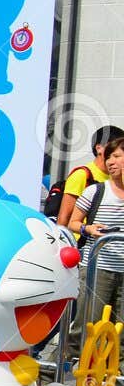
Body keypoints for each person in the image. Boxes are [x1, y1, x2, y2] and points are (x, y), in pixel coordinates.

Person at [69, 135, 124, 333]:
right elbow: (72, 222)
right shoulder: (96, 191)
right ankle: (72, 361)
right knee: (87, 325)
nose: (110, 162)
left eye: (117, 156)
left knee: (119, 331)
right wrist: (88, 228)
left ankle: (116, 364)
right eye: (108, 157)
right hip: (98, 268)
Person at [57, 125, 124, 228]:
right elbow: (63, 218)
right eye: (112, 147)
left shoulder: (115, 177)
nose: (111, 161)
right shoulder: (82, 175)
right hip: (83, 240)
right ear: (99, 148)